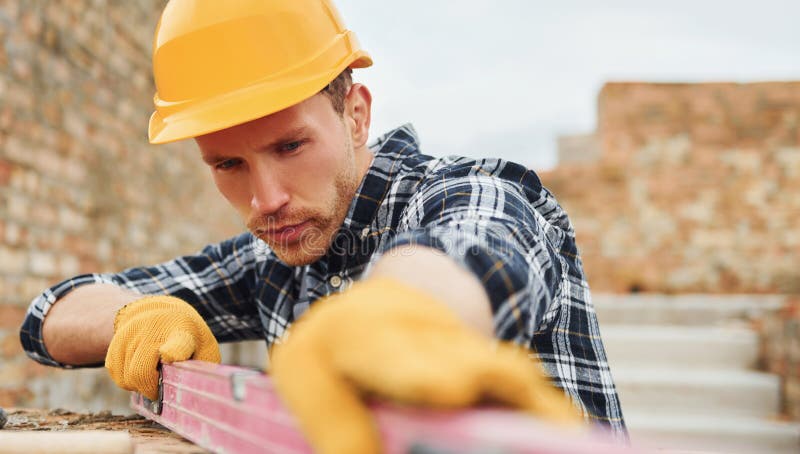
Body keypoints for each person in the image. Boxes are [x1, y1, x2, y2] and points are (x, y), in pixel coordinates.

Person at [20, 1, 626, 452]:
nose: (265, 199)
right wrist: (135, 315)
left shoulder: (471, 193)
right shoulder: (275, 260)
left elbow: (472, 247)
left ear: (356, 114)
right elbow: (48, 314)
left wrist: (394, 316)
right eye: (228, 164)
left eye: (290, 146)